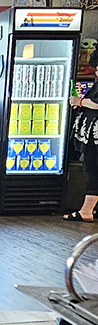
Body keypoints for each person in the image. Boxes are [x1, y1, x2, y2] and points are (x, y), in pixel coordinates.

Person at [64, 52, 98, 223]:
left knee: (94, 170)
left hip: (96, 136)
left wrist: (79, 101)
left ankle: (86, 210)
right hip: (92, 134)